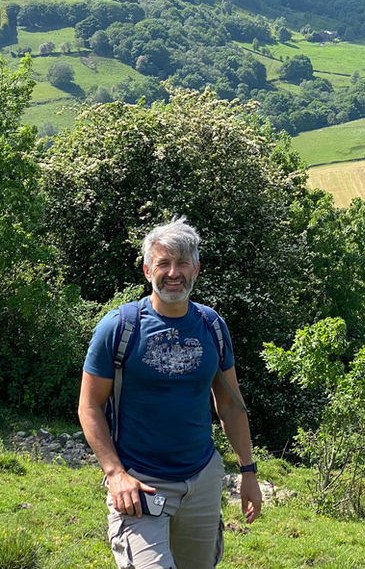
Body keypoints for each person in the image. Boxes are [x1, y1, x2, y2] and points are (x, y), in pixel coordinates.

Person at [79, 217, 262, 569]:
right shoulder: (118, 328)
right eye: (164, 263)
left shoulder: (212, 326)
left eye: (182, 263)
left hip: (202, 481)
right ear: (148, 270)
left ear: (197, 269)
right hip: (140, 484)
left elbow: (230, 404)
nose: (173, 272)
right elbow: (89, 406)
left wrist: (248, 472)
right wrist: (115, 474)